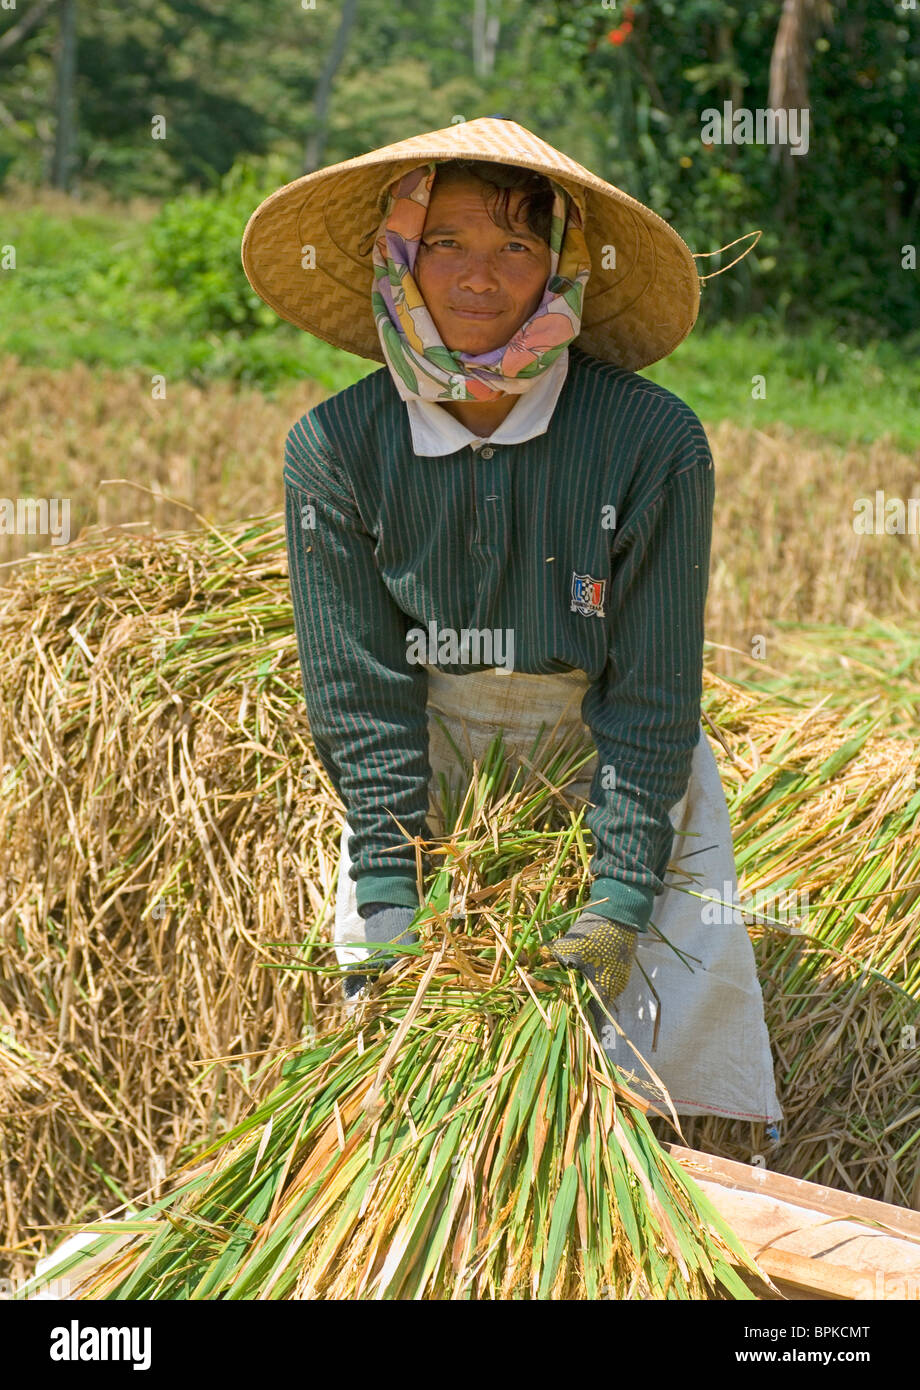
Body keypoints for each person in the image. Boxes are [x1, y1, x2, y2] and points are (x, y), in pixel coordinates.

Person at [242, 116, 783, 1124]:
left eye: (514, 246)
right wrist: (393, 893)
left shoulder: (650, 441)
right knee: (394, 1063)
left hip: (601, 753)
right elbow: (361, 693)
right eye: (443, 244)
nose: (477, 277)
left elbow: (651, 688)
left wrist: (619, 902)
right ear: (398, 259)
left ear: (559, 269)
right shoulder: (335, 446)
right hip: (428, 757)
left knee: (652, 1063)